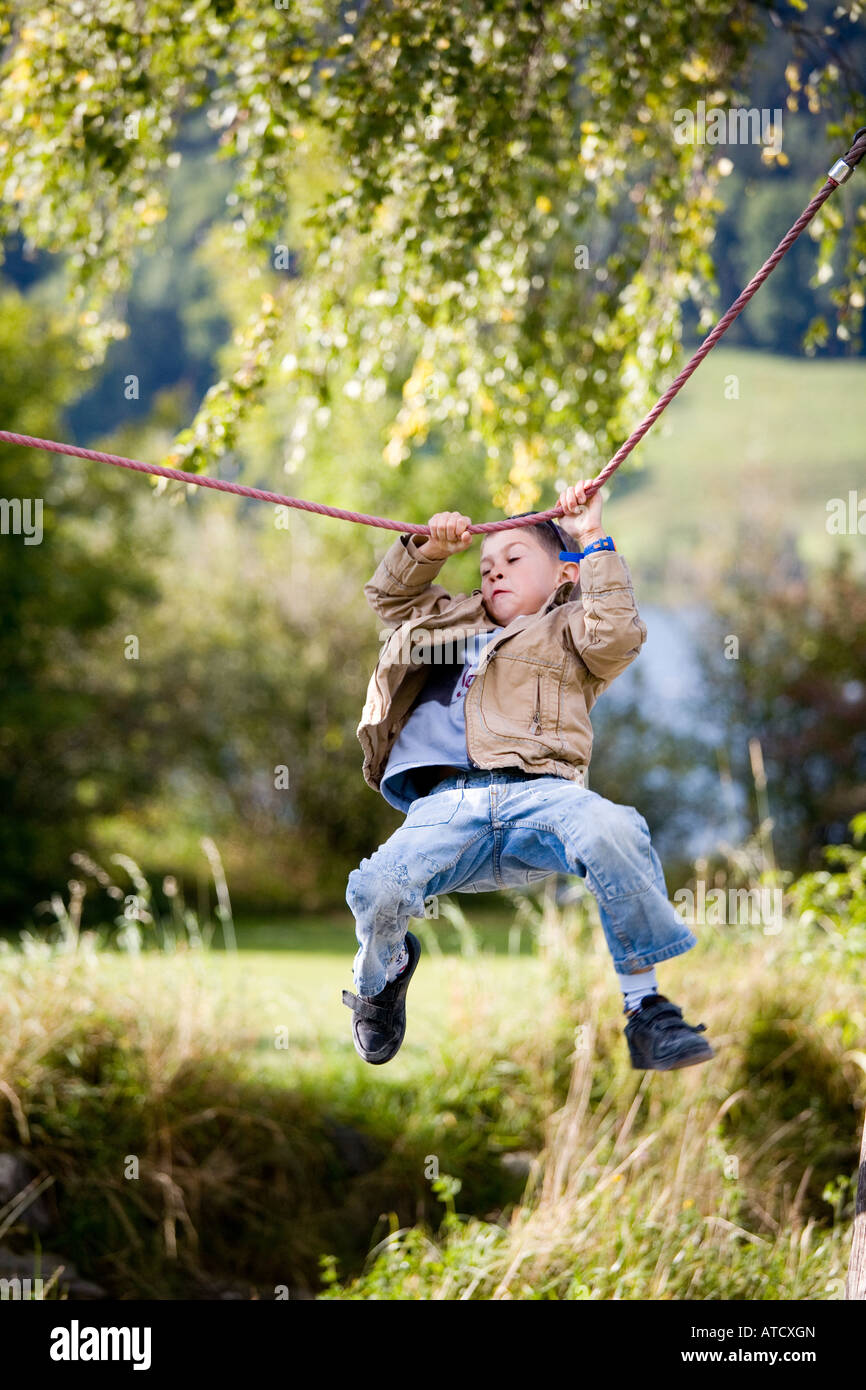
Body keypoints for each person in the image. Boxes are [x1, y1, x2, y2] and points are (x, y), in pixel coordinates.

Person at [342, 481, 715, 1072]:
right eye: (487, 565)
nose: (494, 573)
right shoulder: (450, 619)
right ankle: (380, 978)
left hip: (541, 798)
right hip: (444, 808)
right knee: (376, 890)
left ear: (565, 575)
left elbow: (618, 635)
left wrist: (591, 537)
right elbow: (389, 601)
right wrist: (431, 549)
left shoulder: (571, 630)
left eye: (514, 559)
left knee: (612, 827)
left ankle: (646, 1009)